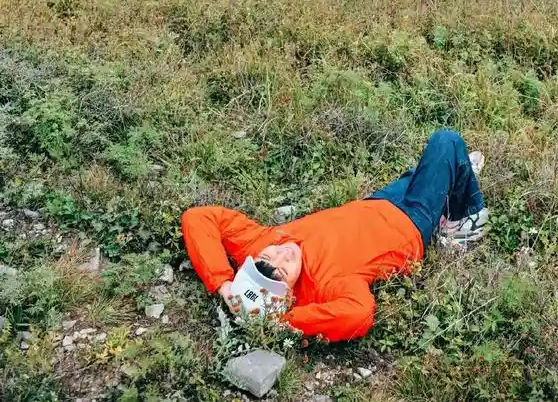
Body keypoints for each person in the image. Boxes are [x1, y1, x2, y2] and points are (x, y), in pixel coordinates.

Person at [182, 128, 488, 342]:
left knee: (422, 171)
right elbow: (358, 315)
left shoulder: (264, 243)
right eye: (281, 273)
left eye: (267, 258)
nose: (281, 255)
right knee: (446, 142)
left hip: (377, 202)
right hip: (411, 224)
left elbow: (199, 218)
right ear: (288, 297)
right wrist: (285, 324)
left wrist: (222, 283)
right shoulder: (326, 286)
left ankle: (458, 176)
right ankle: (465, 218)